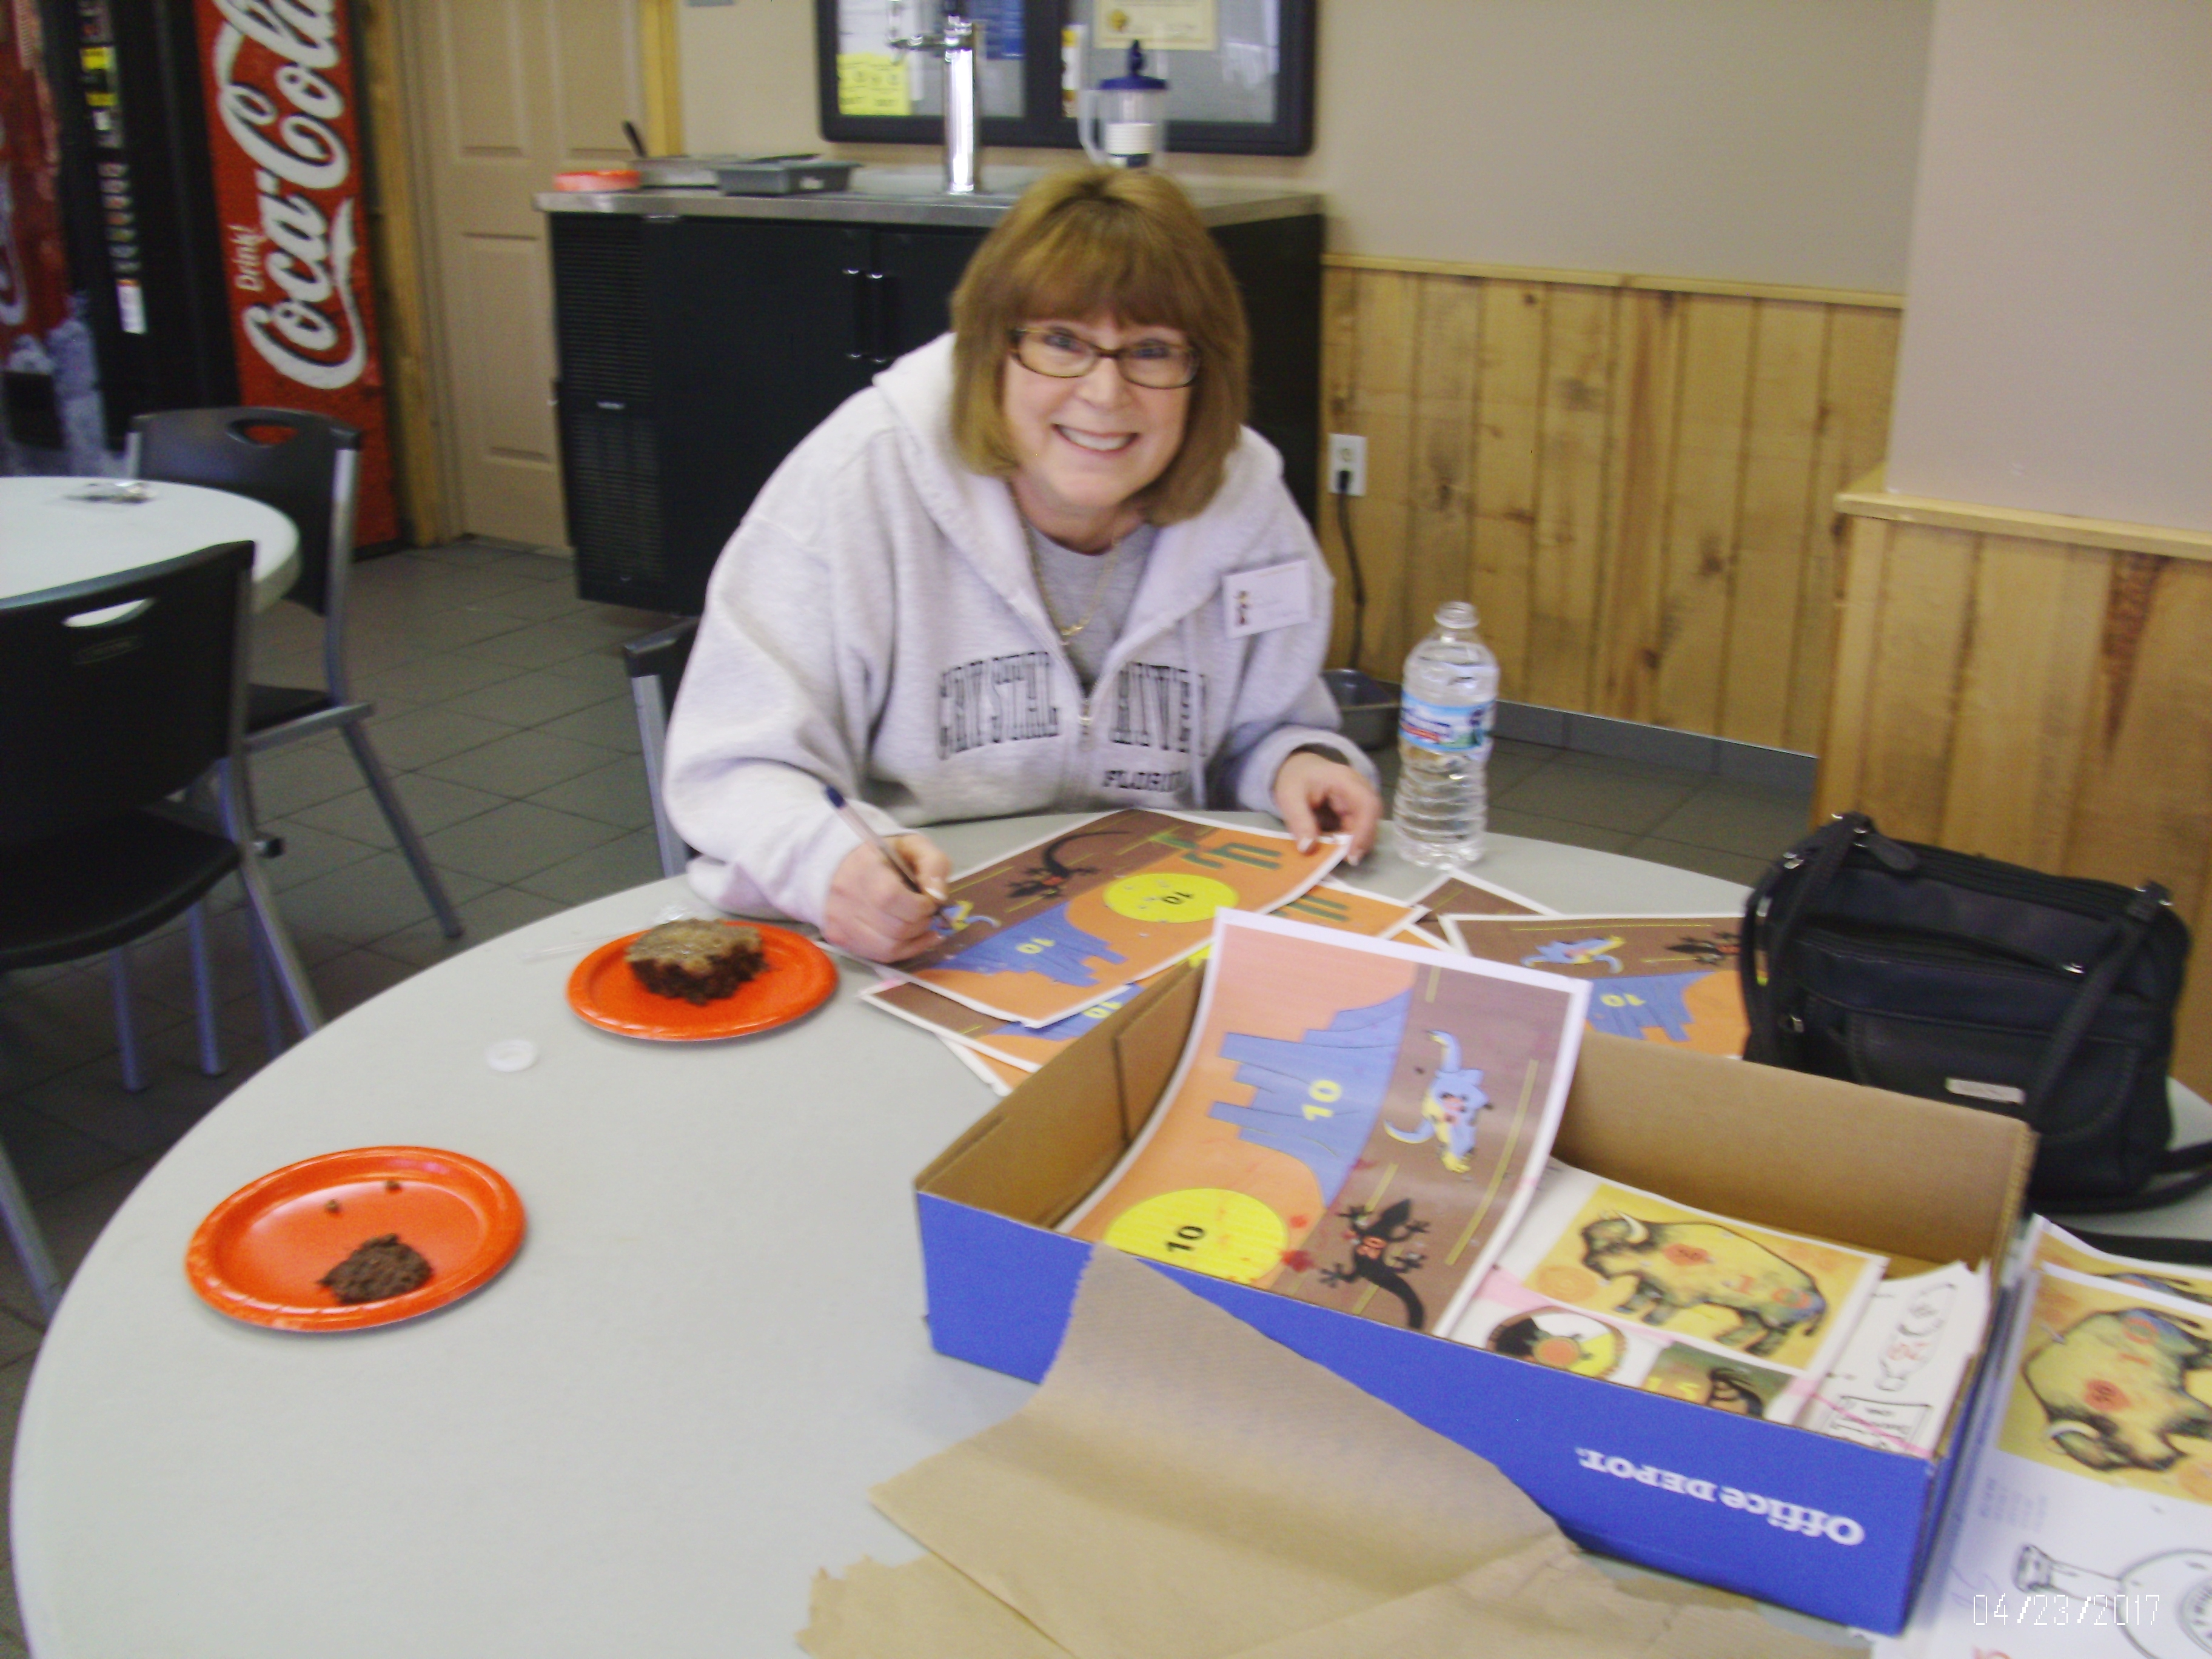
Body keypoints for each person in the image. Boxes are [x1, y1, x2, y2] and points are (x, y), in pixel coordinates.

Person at [663, 166, 1381, 962]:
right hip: (910, 937)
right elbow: (734, 764)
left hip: (1158, 928)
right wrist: (830, 864)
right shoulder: (859, 478)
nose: (1106, 394)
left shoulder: (1247, 507)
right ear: (992, 352)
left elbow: (1268, 727)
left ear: (1202, 376)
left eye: (1150, 350)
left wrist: (1296, 764)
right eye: (1062, 341)